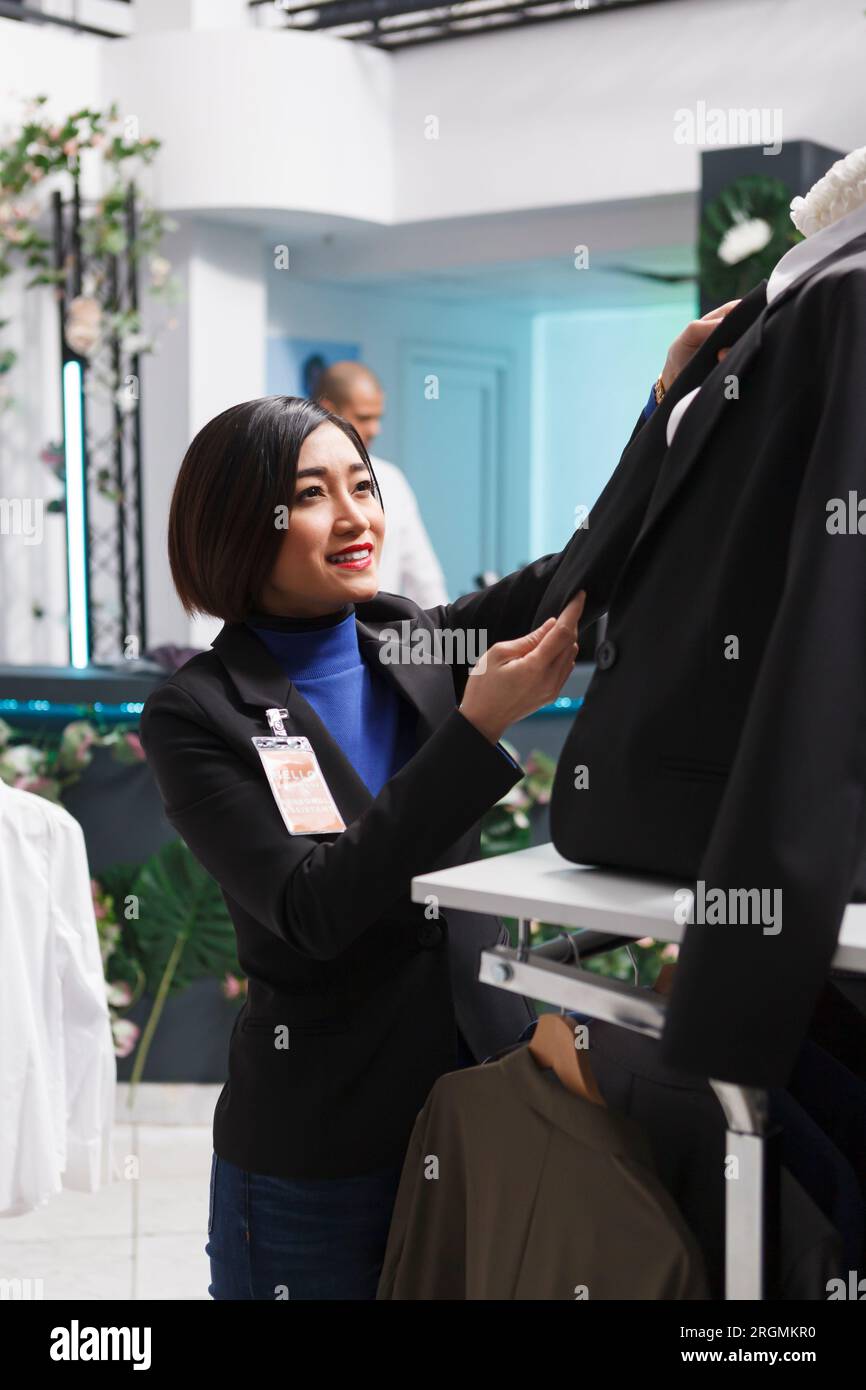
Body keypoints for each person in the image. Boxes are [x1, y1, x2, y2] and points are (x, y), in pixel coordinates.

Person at [139, 304, 734, 1301]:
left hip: (479, 1106)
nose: (356, 515)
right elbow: (315, 908)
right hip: (319, 1152)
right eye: (311, 495)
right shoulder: (197, 710)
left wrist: (668, 400)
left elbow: (577, 576)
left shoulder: (409, 635)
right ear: (239, 523)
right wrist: (473, 730)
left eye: (361, 485)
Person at [315, 361, 449, 607]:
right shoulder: (287, 479)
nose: (375, 429)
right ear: (329, 411)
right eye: (364, 418)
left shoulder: (391, 481)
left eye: (363, 488)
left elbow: (424, 580)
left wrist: (446, 631)